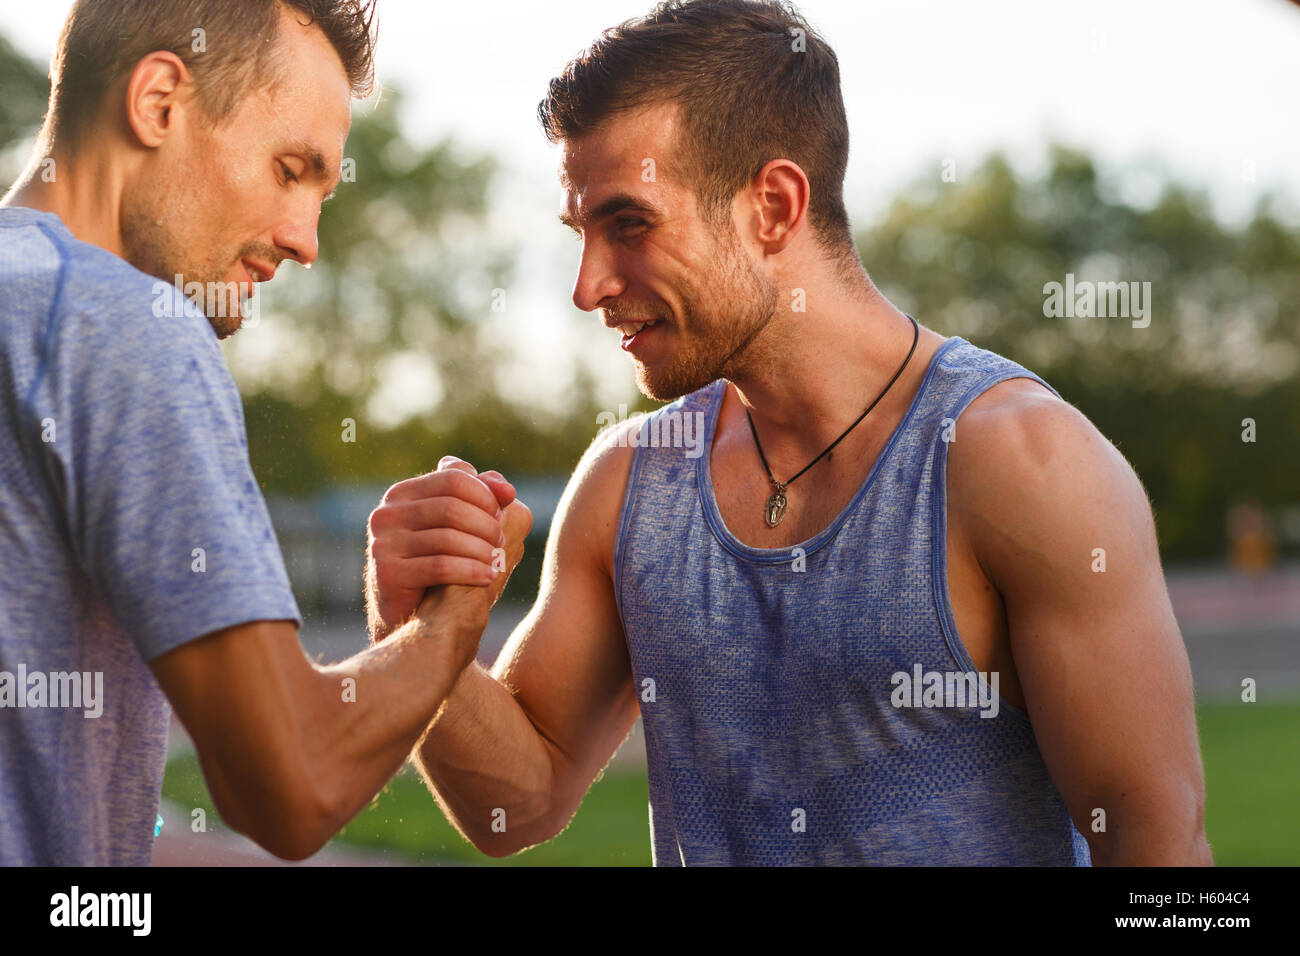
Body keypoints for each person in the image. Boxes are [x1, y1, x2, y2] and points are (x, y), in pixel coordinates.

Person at [368, 0, 1213, 865]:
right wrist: (416, 627)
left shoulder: (1019, 460)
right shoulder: (629, 481)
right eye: (581, 232)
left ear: (772, 205)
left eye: (629, 225)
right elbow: (519, 802)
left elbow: (1158, 851)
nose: (587, 286)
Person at [0, 0, 529, 866]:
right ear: (160, 102)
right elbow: (290, 784)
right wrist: (455, 614)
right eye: (291, 169)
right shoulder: (129, 328)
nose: (305, 240)